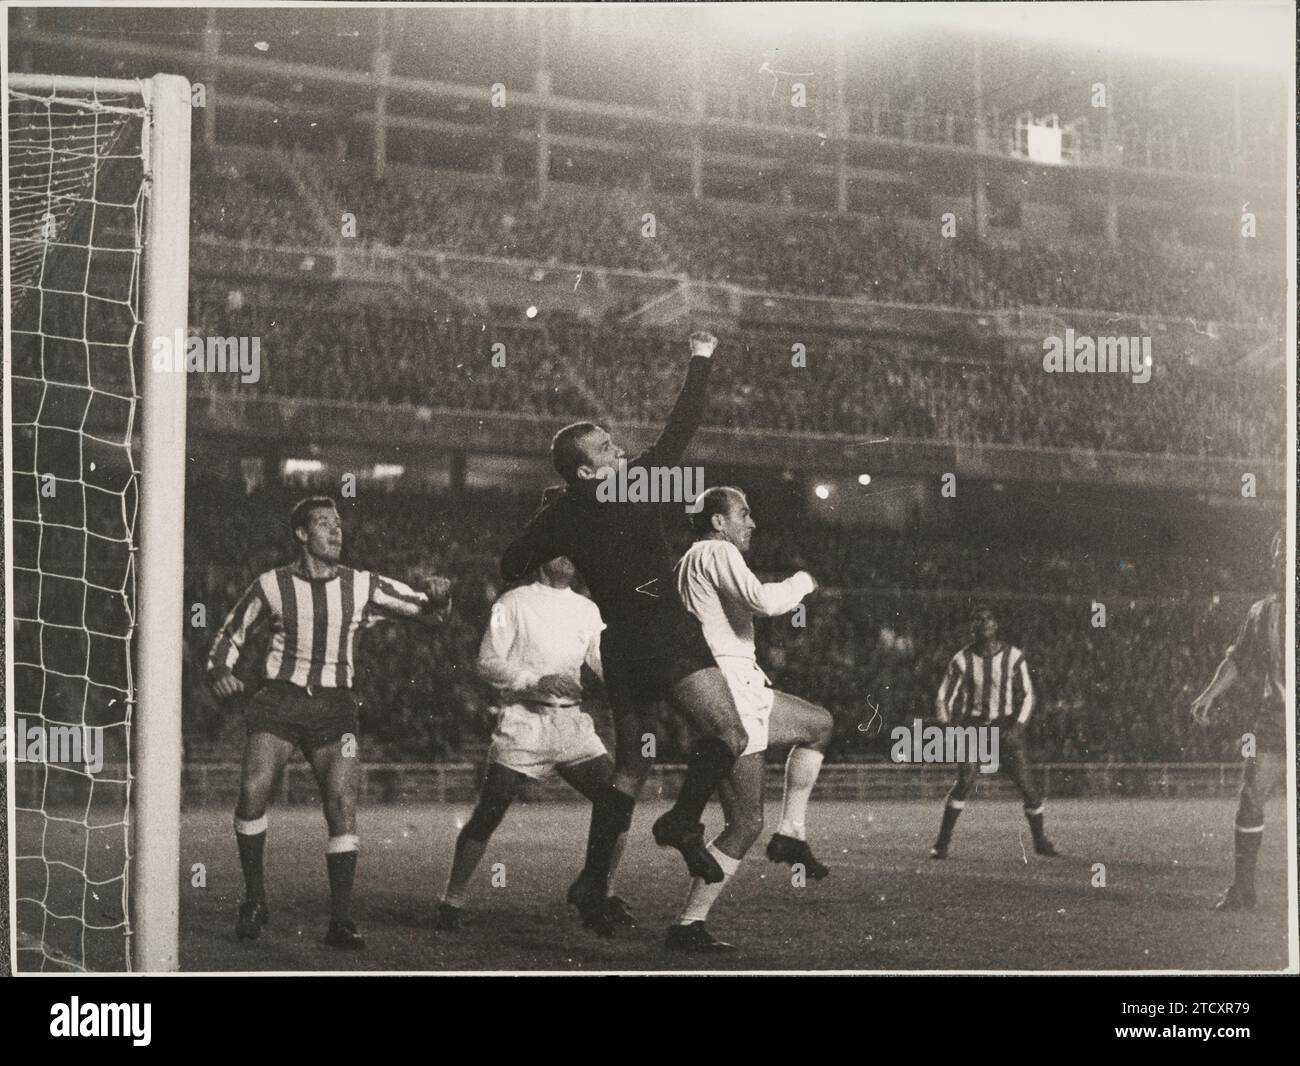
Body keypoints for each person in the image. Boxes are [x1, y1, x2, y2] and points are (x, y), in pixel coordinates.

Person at [500, 330, 749, 936]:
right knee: (730, 734)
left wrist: (559, 537)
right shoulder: (635, 481)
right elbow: (681, 428)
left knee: (632, 767)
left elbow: (510, 564)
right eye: (608, 448)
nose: (620, 451)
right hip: (664, 631)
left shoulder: (561, 511)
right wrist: (702, 356)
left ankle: (591, 881)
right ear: (590, 468)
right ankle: (683, 822)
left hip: (620, 643)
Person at [208, 496, 451, 949]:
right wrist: (221, 670)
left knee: (341, 806)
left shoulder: (362, 584)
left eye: (339, 524)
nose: (337, 531)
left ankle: (340, 922)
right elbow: (231, 632)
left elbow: (428, 614)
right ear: (301, 533)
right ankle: (255, 899)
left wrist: (441, 597)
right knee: (252, 791)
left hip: (336, 707)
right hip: (279, 701)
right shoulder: (272, 585)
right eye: (324, 524)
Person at [667, 486, 833, 952]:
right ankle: (687, 924)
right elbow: (764, 600)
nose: (752, 523)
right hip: (731, 692)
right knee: (743, 824)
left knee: (819, 724)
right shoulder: (714, 549)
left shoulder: (689, 561)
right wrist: (803, 581)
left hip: (741, 685)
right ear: (718, 522)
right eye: (744, 513)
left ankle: (791, 833)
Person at [435, 557, 633, 931]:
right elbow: (487, 661)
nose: (572, 559)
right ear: (543, 558)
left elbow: (603, 661)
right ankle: (452, 900)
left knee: (618, 801)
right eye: (561, 551)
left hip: (572, 724)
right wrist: (535, 679)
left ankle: (602, 893)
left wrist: (629, 681)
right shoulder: (511, 603)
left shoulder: (587, 608)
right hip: (525, 721)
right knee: (489, 812)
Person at [1191, 529, 1286, 911]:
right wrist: (1209, 693)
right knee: (1250, 799)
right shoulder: (1262, 611)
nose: (1282, 559)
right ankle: (1243, 889)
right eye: (1279, 552)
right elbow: (1239, 660)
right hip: (1275, 721)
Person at [929, 606, 1058, 860]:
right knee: (965, 781)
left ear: (995, 625)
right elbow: (944, 696)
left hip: (1005, 727)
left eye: (988, 619)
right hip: (974, 727)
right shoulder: (962, 660)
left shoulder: (1013, 656)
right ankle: (942, 843)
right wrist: (947, 725)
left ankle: (1040, 841)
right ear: (972, 628)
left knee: (1029, 789)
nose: (983, 623)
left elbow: (1029, 695)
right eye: (977, 620)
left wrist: (1019, 727)